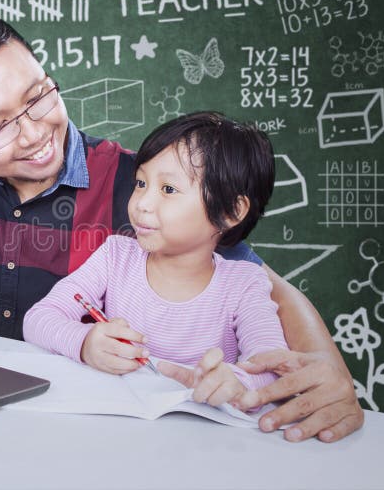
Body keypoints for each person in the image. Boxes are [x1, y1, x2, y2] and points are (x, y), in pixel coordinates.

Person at [0, 16, 363, 442]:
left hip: (82, 425)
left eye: (38, 97)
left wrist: (327, 369)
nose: (32, 134)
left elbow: (260, 283)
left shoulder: (139, 190)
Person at [23, 112, 288, 410]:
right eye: (140, 183)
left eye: (168, 190)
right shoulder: (116, 256)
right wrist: (85, 343)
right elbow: (39, 318)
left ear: (230, 212)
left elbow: (272, 365)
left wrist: (237, 382)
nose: (142, 204)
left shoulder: (244, 283)